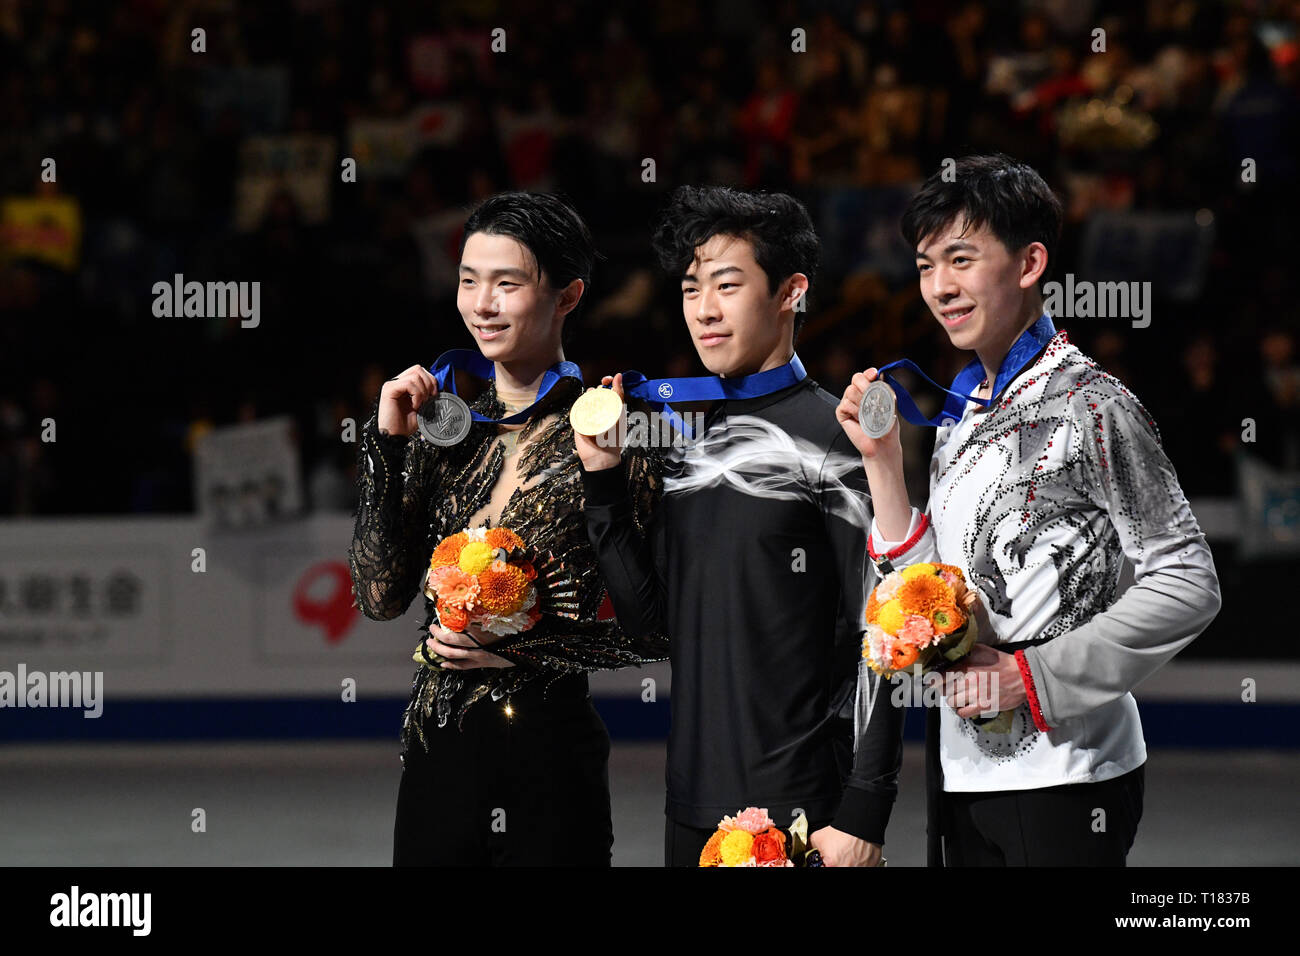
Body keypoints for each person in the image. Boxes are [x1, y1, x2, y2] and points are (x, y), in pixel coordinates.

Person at [835, 154, 1222, 866]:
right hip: (963, 771)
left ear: (1029, 263)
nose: (939, 287)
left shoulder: (1091, 404)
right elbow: (934, 591)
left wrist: (1031, 677)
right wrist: (883, 466)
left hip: (1067, 780)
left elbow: (1188, 579)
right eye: (925, 266)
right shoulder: (963, 410)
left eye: (960, 259)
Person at [574, 185, 904, 867]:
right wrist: (604, 484)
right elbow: (649, 626)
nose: (704, 310)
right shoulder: (682, 442)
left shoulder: (834, 438)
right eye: (692, 289)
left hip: (806, 812)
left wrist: (866, 810)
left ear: (791, 293)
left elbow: (886, 631)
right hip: (690, 808)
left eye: (728, 284)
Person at [347, 191, 666, 866]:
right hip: (438, 753)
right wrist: (386, 447)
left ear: (567, 295)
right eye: (469, 280)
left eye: (507, 283)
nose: (482, 304)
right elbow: (379, 598)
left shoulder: (614, 433)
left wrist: (531, 651)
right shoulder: (445, 432)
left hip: (551, 759)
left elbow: (658, 632)